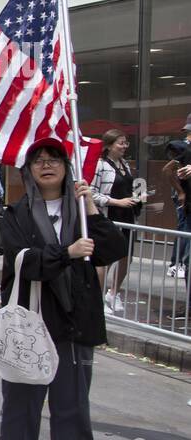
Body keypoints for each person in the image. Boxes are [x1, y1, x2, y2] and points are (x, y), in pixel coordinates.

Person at [0, 137, 125, 440]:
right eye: (39, 160)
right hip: (30, 321)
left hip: (76, 321)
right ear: (29, 170)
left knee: (72, 400)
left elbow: (113, 249)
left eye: (55, 158)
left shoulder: (82, 213)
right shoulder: (16, 214)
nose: (47, 165)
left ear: (68, 168)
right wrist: (66, 253)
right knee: (22, 397)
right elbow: (22, 260)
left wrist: (91, 206)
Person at [91, 129, 141, 316]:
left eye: (126, 143)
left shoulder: (125, 164)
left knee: (126, 257)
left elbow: (129, 185)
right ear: (109, 145)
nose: (124, 146)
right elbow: (92, 192)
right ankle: (99, 297)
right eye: (120, 143)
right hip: (108, 217)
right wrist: (115, 201)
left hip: (127, 217)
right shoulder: (100, 165)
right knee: (106, 259)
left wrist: (138, 197)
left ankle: (113, 293)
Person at [163, 138, 191, 278]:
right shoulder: (185, 150)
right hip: (187, 202)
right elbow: (168, 169)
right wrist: (180, 192)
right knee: (184, 230)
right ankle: (177, 264)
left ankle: (178, 264)